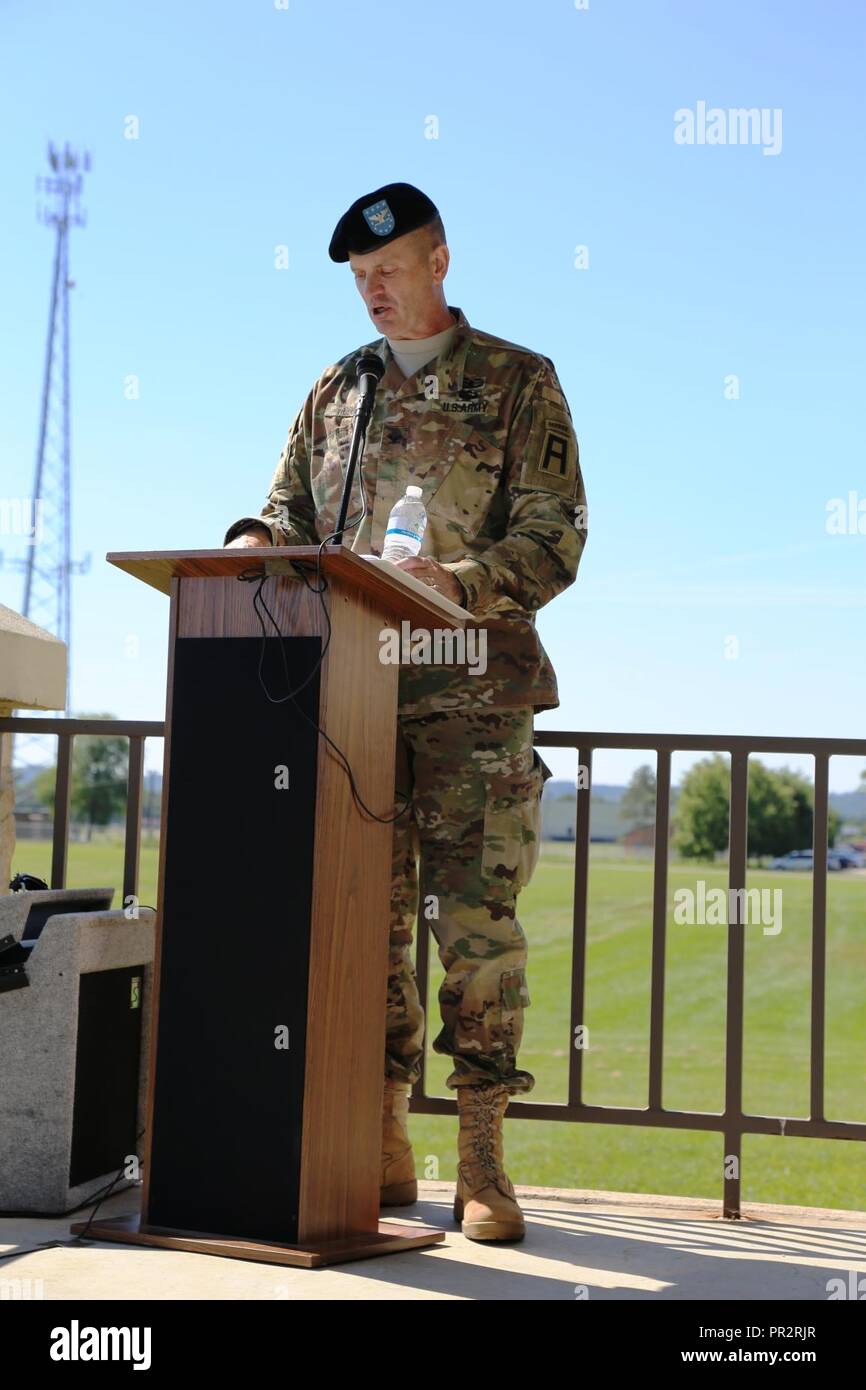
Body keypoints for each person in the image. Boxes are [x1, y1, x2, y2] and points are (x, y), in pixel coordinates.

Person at [224, 182, 587, 1242]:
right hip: (353, 700)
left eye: (387, 272)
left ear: (439, 261)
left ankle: (480, 1164)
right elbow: (285, 505)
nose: (372, 293)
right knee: (366, 927)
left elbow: (554, 535)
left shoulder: (520, 383)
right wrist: (251, 547)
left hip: (473, 702)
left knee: (474, 929)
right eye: (357, 280)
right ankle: (380, 1140)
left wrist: (458, 580)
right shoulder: (337, 390)